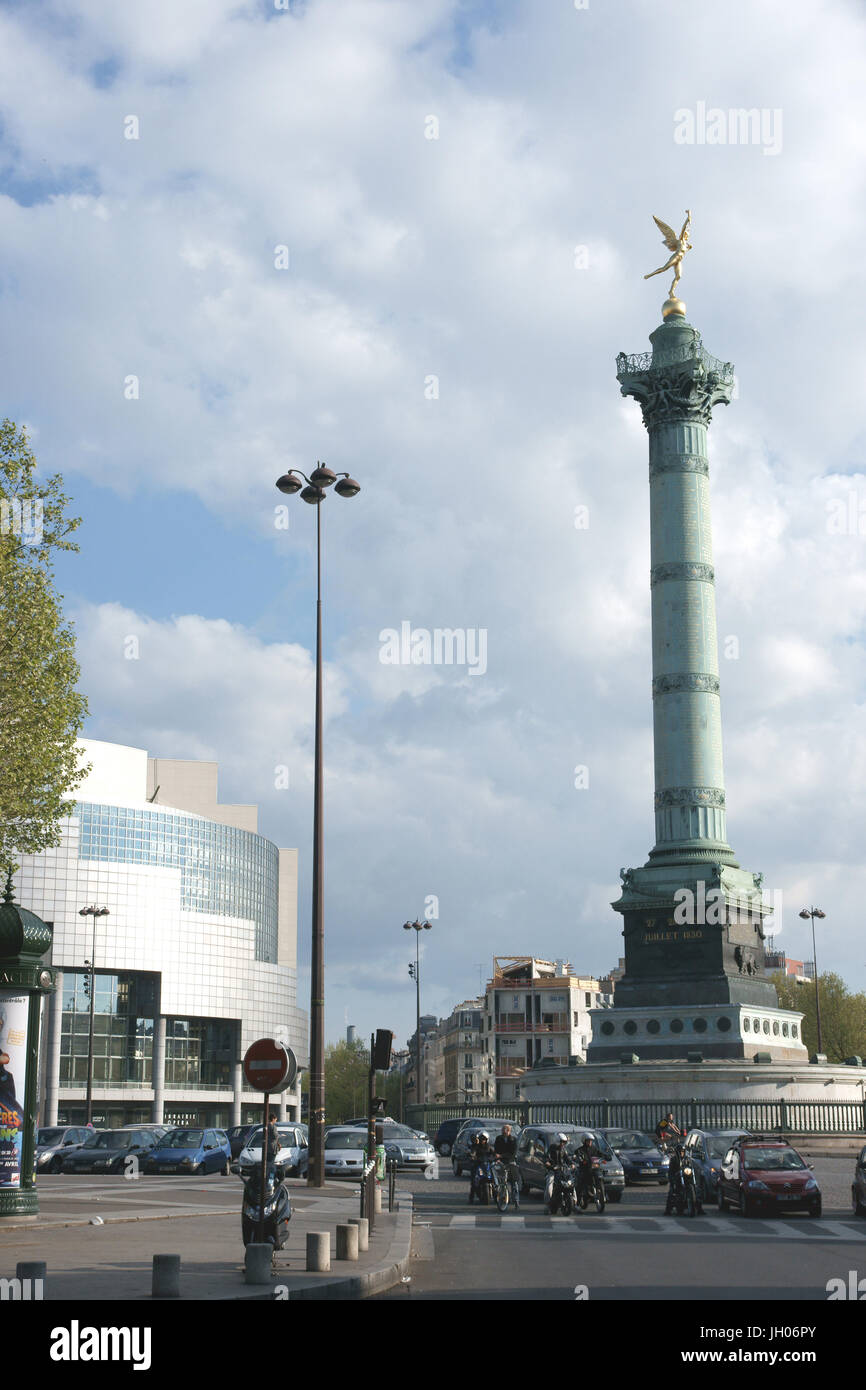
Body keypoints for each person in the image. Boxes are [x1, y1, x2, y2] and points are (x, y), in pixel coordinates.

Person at [494, 1123, 520, 1209]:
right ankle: (500, 1196)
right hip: (501, 1162)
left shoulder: (513, 1140)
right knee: (500, 1180)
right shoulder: (499, 1139)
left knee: (514, 1182)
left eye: (504, 1130)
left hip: (510, 1162)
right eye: (502, 1130)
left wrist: (501, 1156)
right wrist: (496, 1157)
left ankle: (516, 1200)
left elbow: (513, 1153)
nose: (503, 1132)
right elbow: (496, 1149)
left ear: (509, 1131)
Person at [544, 1132, 572, 1205]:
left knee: (571, 1183)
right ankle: (548, 1203)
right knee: (549, 1185)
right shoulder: (551, 1148)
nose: (563, 1144)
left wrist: (571, 1164)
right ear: (557, 1140)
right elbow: (547, 1158)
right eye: (561, 1142)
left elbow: (567, 1159)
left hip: (562, 1171)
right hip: (553, 1170)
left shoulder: (563, 1150)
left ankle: (575, 1203)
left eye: (564, 1142)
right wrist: (548, 1164)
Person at [468, 1130, 492, 1204]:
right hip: (478, 1165)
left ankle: (499, 1194)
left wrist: (496, 1157)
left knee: (495, 1176)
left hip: (486, 1165)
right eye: (481, 1139)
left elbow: (493, 1153)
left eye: (484, 1139)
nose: (483, 1141)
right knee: (474, 1181)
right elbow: (473, 1152)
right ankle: (471, 1198)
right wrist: (472, 1156)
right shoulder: (476, 1146)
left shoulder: (488, 1147)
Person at [266, 1113, 281, 1181]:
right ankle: (271, 1178)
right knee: (271, 1165)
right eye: (275, 1119)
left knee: (268, 1163)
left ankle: (268, 1177)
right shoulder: (273, 1127)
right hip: (272, 1148)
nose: (276, 1121)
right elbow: (275, 1136)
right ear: (273, 1119)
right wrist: (280, 1135)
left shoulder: (266, 1126)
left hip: (267, 1147)